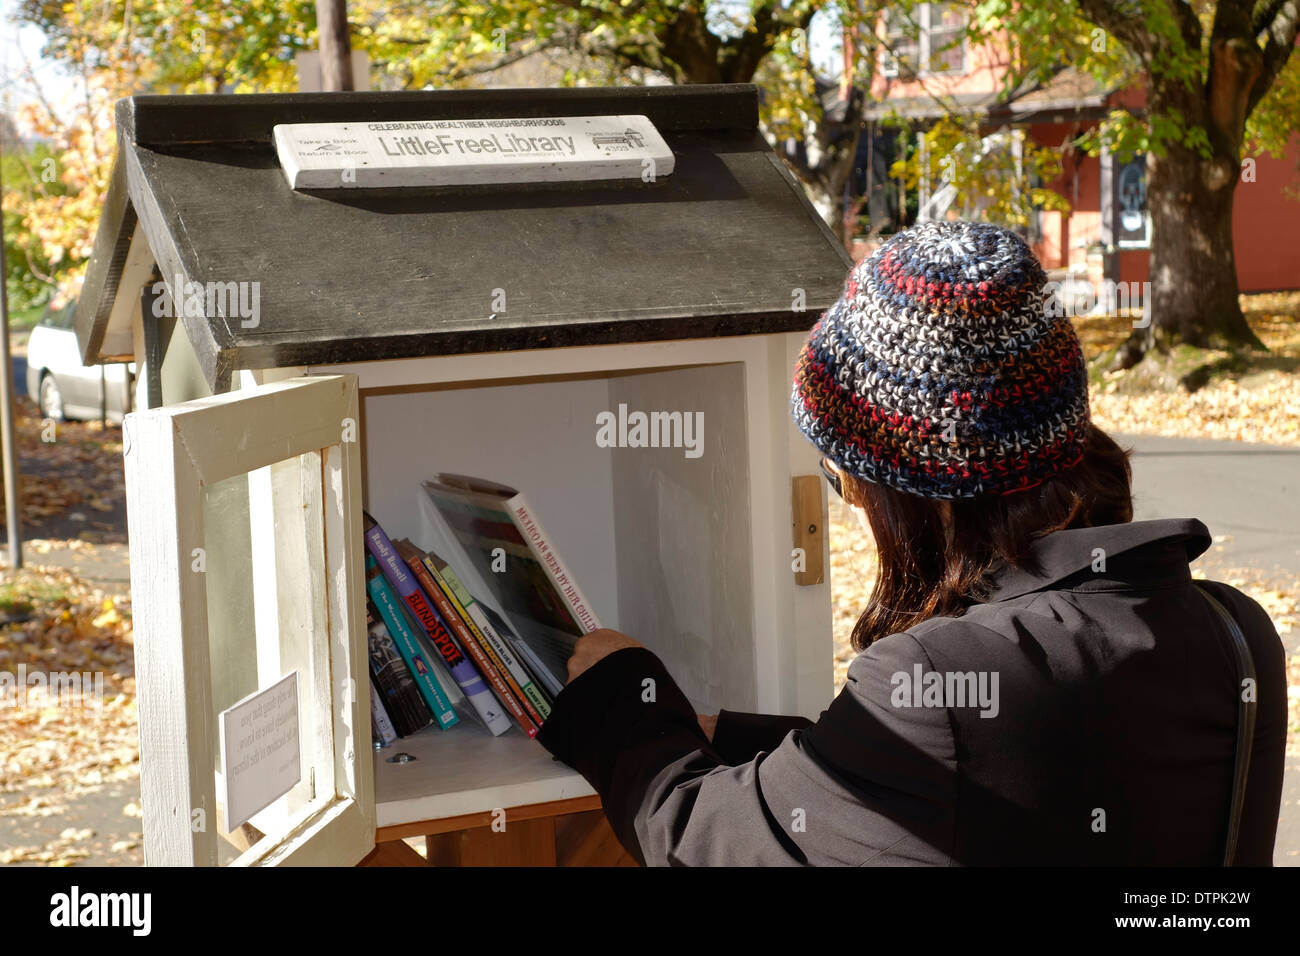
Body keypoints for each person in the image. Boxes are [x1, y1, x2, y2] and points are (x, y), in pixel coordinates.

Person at [536, 220, 1287, 866]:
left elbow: (708, 839)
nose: (853, 504)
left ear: (917, 501)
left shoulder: (936, 678)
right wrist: (728, 733)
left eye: (846, 482)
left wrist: (624, 696)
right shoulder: (1234, 633)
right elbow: (967, 786)